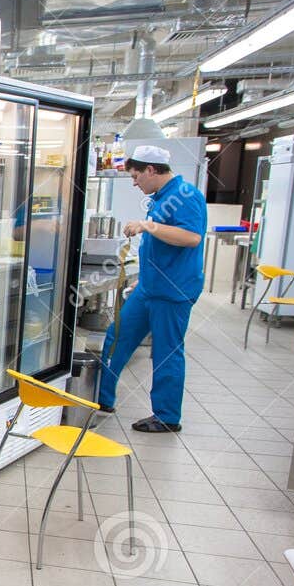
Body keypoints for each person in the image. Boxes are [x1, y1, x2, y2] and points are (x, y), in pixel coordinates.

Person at [97, 143, 207, 433]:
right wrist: (142, 279)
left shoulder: (186, 196)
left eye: (136, 177)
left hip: (173, 291)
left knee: (166, 351)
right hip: (150, 287)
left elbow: (191, 237)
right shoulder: (162, 197)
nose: (134, 183)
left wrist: (148, 226)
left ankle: (168, 417)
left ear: (150, 169)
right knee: (117, 335)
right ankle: (101, 398)